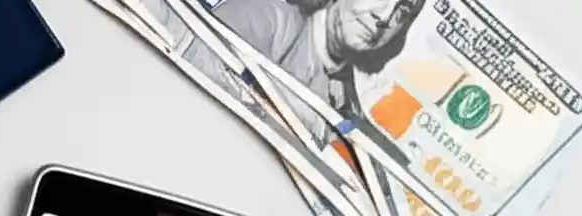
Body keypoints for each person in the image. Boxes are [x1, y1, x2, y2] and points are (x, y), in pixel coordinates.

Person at [150, 0, 425, 142]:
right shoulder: (268, 17)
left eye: (404, 10)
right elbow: (187, 89)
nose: (385, 16)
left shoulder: (349, 101)